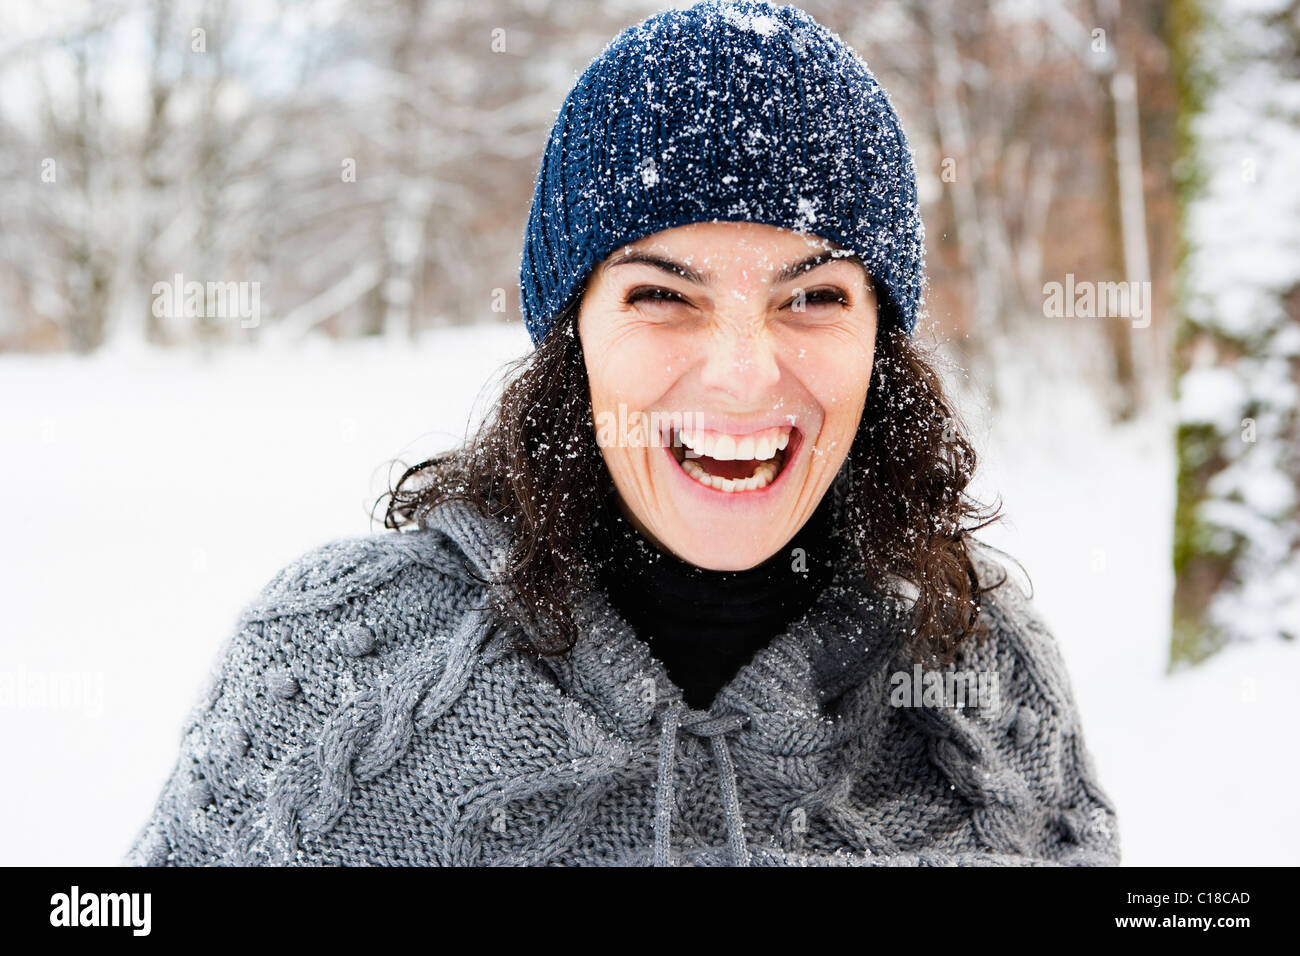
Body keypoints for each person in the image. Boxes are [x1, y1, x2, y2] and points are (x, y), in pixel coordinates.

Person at [124, 0, 1120, 867]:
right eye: (662, 296)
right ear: (573, 334)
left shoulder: (982, 686)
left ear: (879, 342)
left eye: (811, 296)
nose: (740, 372)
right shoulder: (334, 669)